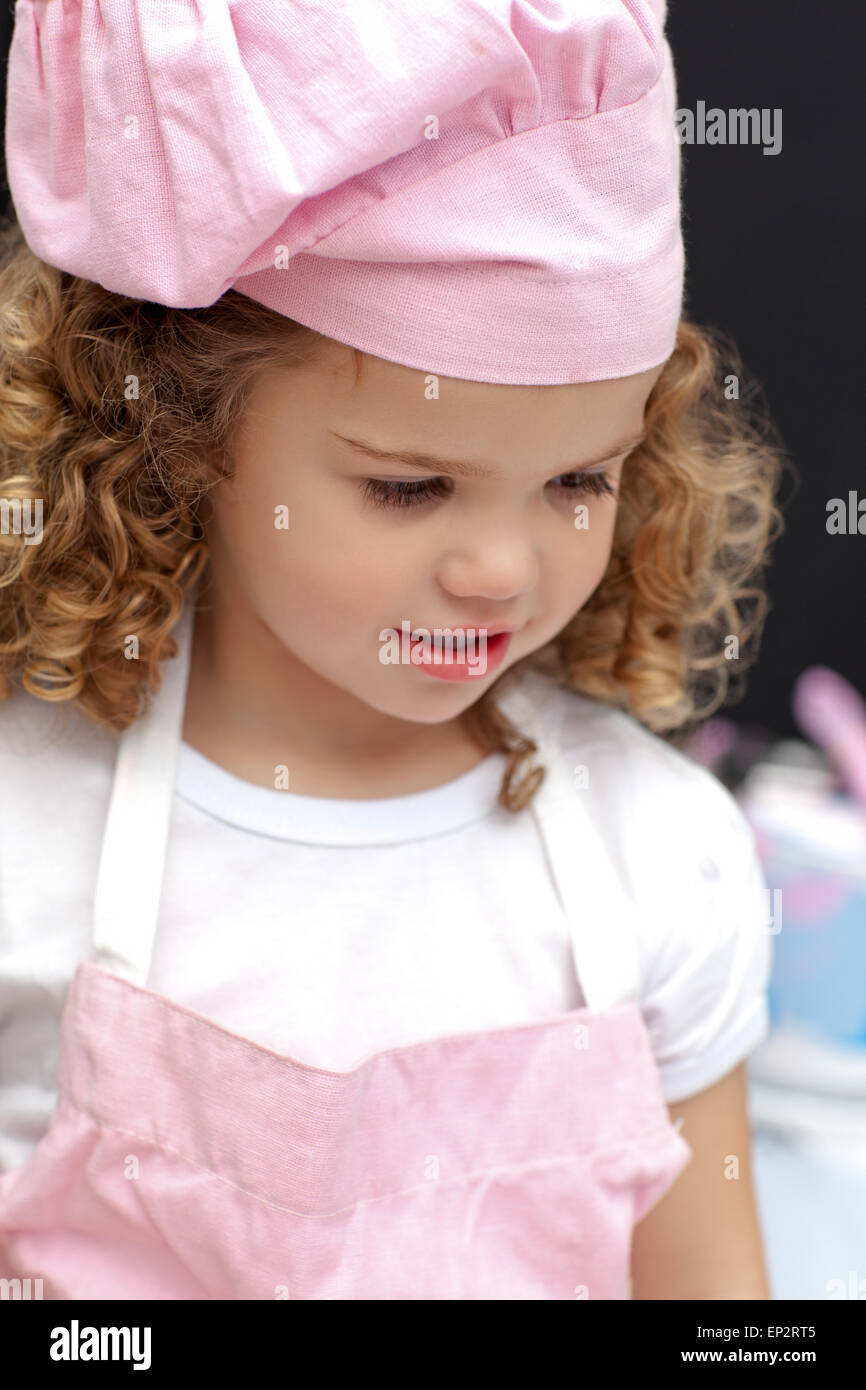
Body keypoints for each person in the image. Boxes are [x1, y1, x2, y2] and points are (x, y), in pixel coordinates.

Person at [0, 0, 785, 1299]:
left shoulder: (661, 863)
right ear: (183, 442)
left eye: (578, 480)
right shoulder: (26, 832)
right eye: (410, 488)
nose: (502, 568)